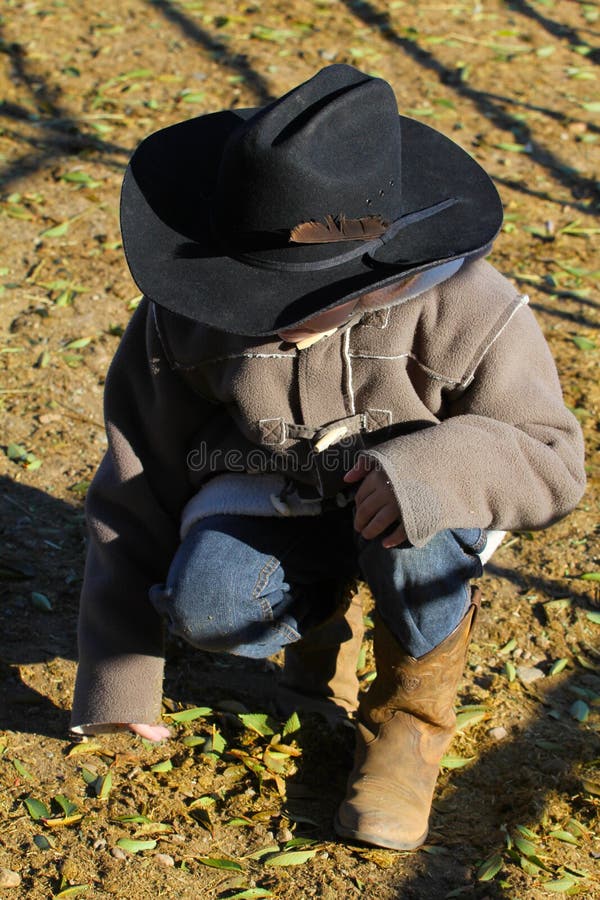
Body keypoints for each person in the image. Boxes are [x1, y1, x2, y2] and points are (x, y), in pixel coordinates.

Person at [70, 64, 586, 851]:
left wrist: (427, 473)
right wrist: (119, 669)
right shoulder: (187, 320)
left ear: (386, 275)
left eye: (304, 300)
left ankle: (407, 727)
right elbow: (136, 480)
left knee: (412, 543)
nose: (268, 323)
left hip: (418, 521)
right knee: (209, 605)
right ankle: (319, 627)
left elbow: (554, 460)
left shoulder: (470, 307)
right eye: (248, 292)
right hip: (279, 495)